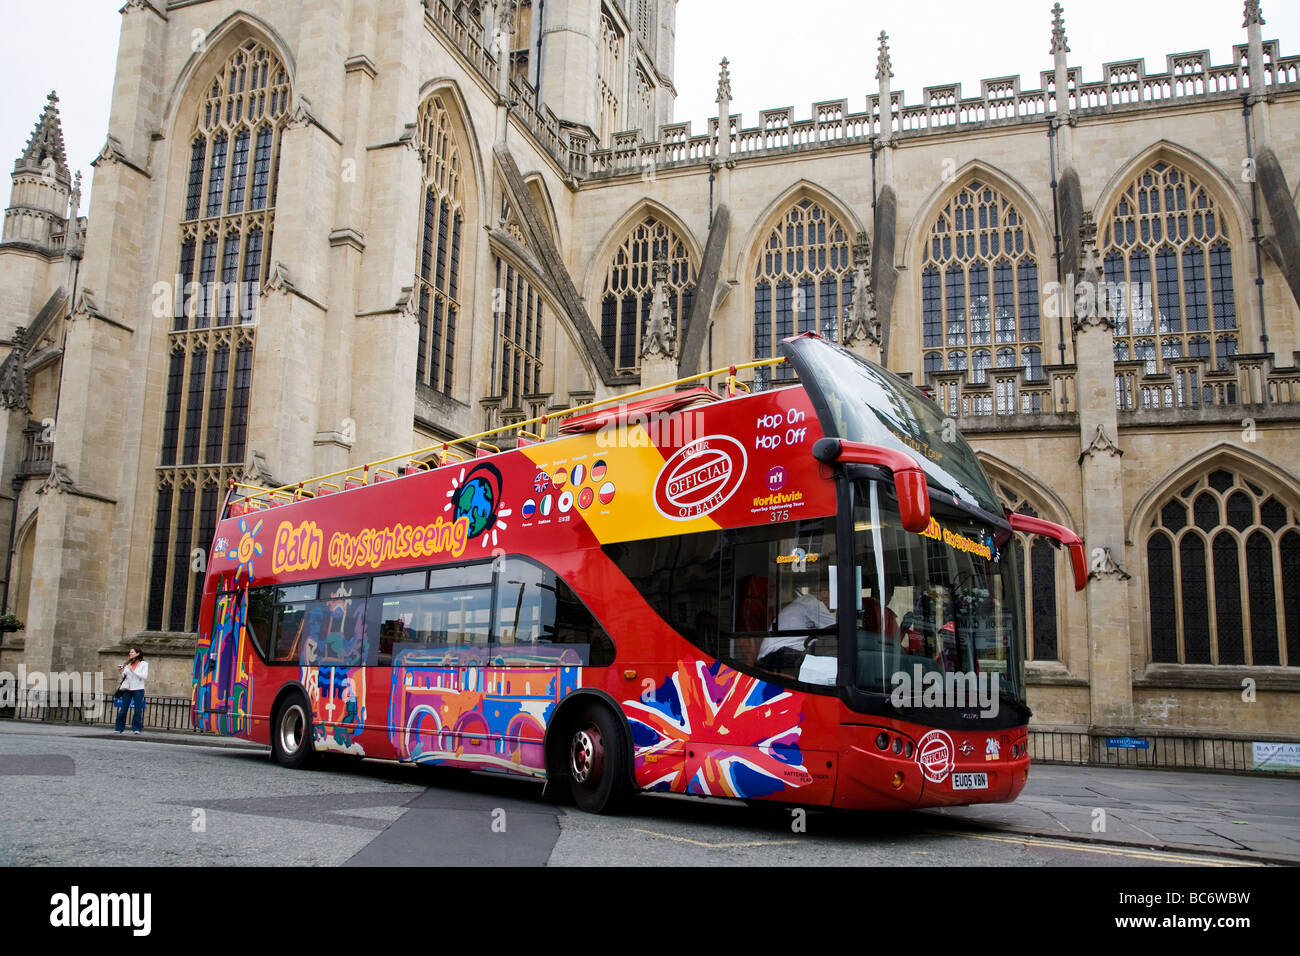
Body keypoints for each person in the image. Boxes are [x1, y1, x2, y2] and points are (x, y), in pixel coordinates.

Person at [758, 580, 836, 676]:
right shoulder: (813, 603)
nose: (835, 600)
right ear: (824, 591)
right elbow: (835, 630)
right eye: (834, 594)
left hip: (773, 654)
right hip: (777, 654)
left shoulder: (805, 601)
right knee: (827, 666)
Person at [114, 645, 148, 735]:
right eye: (130, 652)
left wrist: (133, 670)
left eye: (132, 652)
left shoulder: (143, 664)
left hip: (138, 689)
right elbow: (125, 676)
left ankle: (136, 728)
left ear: (138, 653)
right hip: (128, 689)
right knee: (123, 709)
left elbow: (144, 676)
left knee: (137, 709)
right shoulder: (128, 664)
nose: (130, 653)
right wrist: (121, 671)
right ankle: (119, 728)